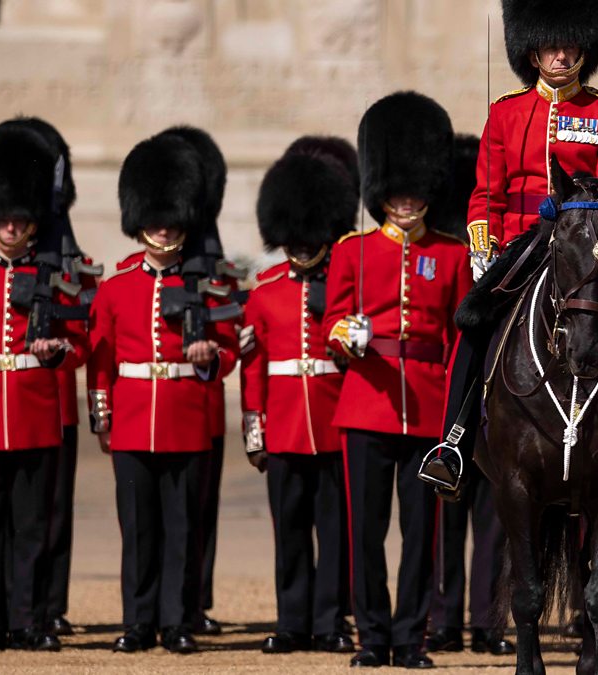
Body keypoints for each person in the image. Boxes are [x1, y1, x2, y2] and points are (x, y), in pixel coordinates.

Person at [418, 0, 598, 498]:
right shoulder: (506, 112)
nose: (562, 56)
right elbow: (487, 192)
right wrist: (485, 243)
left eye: (571, 46)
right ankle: (454, 444)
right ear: (533, 53)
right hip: (520, 241)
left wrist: (583, 226)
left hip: (588, 240)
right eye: (553, 46)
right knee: (474, 319)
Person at [324, 91, 470, 669]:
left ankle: (410, 638)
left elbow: (459, 334)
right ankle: (372, 637)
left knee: (422, 535)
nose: (406, 202)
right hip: (367, 398)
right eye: (397, 192)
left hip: (429, 404)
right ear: (381, 192)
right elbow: (333, 321)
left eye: (414, 192)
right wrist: (347, 338)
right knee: (366, 533)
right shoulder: (352, 252)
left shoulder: (452, 255)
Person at [87, 130, 238, 653]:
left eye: (172, 221)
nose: (164, 230)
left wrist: (210, 358)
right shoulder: (116, 286)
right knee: (139, 530)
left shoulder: (208, 283)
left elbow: (230, 348)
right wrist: (102, 416)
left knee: (181, 529)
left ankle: (176, 622)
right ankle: (138, 621)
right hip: (132, 418)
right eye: (155, 220)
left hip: (186, 416)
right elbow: (100, 360)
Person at [0, 120, 89, 652]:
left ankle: (30, 623)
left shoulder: (56, 275)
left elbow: (82, 345)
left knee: (31, 529)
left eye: (19, 218)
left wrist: (58, 353)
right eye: (2, 218)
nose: (10, 227)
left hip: (35, 417)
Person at [240, 136, 358, 655]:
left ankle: (330, 621)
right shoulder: (264, 291)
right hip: (285, 427)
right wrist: (254, 428)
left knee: (334, 532)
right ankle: (292, 621)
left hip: (334, 425)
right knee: (289, 532)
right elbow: (253, 367)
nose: (305, 243)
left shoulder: (345, 283)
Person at [423, 134, 513, 657]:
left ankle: (487, 620)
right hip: (452, 398)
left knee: (495, 519)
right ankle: (443, 618)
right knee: (446, 521)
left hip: (499, 400)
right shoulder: (448, 253)